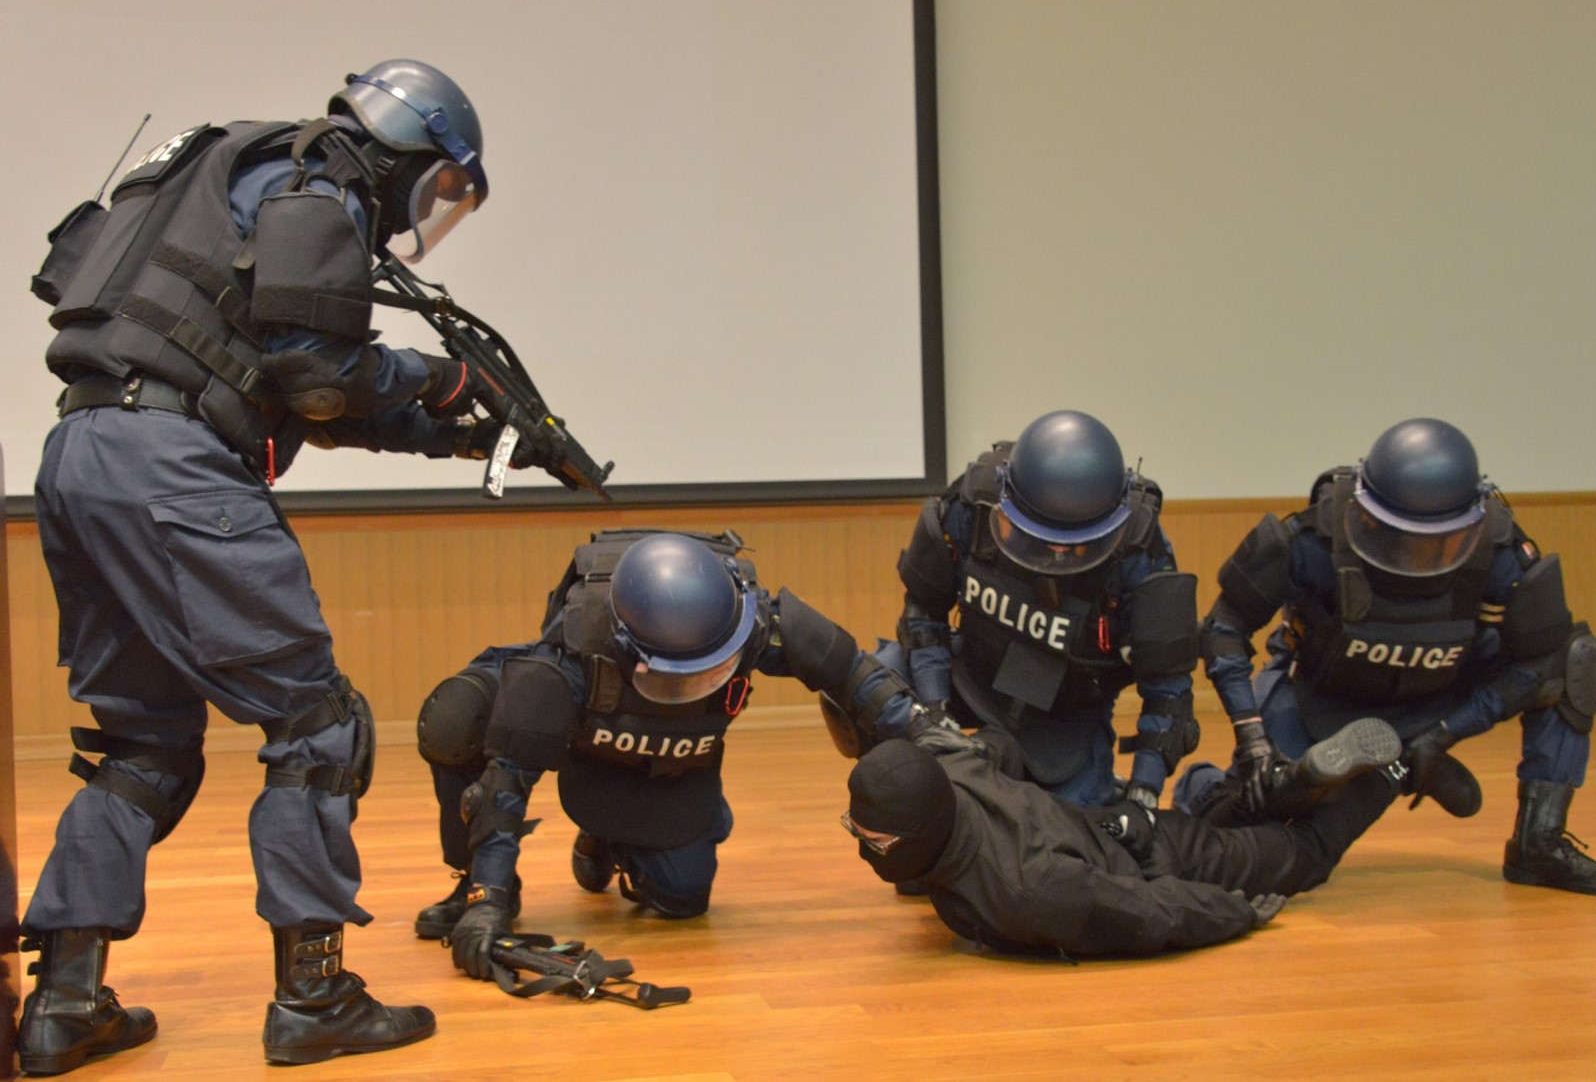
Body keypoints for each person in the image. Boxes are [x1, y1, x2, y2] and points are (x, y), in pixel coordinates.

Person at [19, 59, 500, 1071]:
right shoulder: (315, 187)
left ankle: (64, 1004)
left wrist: (446, 432)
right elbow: (320, 374)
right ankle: (315, 997)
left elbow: (277, 383)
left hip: (82, 455)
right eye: (439, 183)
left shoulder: (224, 173)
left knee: (143, 745)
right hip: (171, 471)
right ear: (404, 152)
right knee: (318, 726)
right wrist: (446, 374)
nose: (430, 209)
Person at [412, 529, 927, 981]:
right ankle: (467, 881)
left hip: (672, 762)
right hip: (589, 739)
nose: (692, 683)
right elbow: (508, 780)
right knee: (455, 719)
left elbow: (855, 673)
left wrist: (927, 731)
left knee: (684, 900)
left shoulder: (749, 624)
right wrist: (489, 898)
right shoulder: (574, 656)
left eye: (708, 667)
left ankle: (609, 840)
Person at [1176, 418, 1596, 897]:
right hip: (1325, 697)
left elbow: (1537, 664)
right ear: (1363, 509)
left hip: (1443, 695)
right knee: (1257, 805)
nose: (1418, 553)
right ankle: (1204, 787)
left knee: (1572, 659)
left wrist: (1448, 731)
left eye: (1439, 540)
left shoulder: (1499, 550)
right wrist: (1252, 737)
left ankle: (1538, 844)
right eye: (1400, 535)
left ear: (1475, 516)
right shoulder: (1313, 540)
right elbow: (1224, 630)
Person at [840, 715, 1408, 958]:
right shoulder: (949, 766)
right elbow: (1001, 746)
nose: (865, 851)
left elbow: (1147, 912)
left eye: (875, 841)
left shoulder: (1029, 890)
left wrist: (1235, 915)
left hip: (1144, 861)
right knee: (1225, 838)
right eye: (856, 831)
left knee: (1302, 858)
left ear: (923, 834)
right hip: (1104, 829)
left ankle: (1403, 766)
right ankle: (1292, 781)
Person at [891, 410, 1200, 811]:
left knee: (1072, 843)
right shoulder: (975, 502)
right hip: (971, 677)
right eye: (1044, 539)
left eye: (1076, 545)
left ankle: (1103, 789)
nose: (1058, 553)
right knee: (882, 683)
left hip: (1066, 717)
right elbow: (923, 613)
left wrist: (1143, 797)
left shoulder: (1140, 549)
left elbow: (1168, 690)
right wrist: (933, 713)